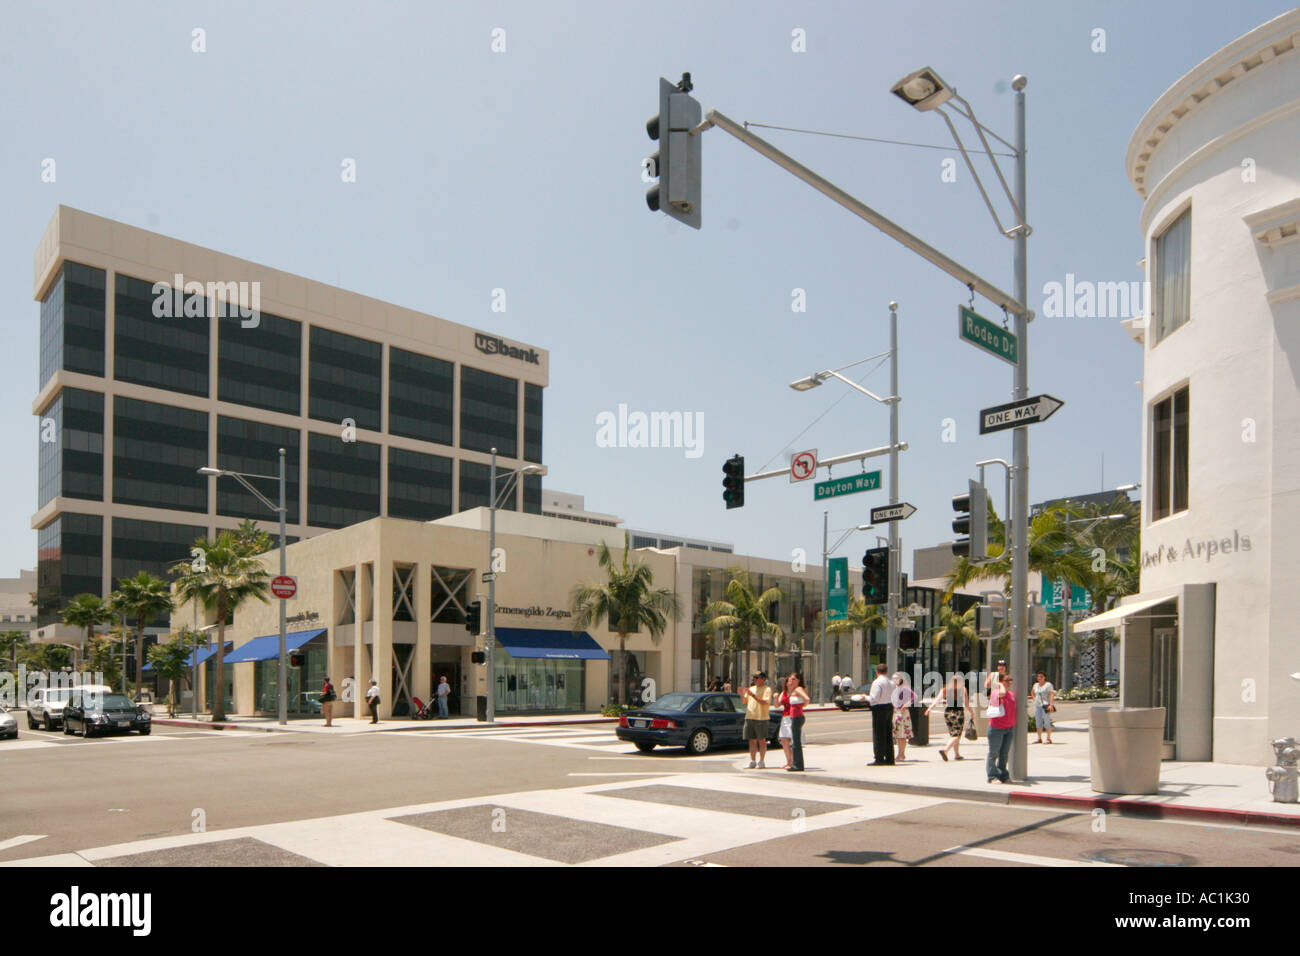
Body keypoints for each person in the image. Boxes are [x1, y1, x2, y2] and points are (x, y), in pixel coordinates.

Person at [926, 674, 970, 761]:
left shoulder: (945, 689)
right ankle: (945, 750)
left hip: (948, 713)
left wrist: (929, 709)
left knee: (953, 734)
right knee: (957, 734)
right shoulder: (962, 690)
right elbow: (966, 704)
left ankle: (957, 754)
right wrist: (972, 713)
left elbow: (937, 700)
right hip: (958, 713)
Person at [986, 674, 1017, 783]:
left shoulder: (1011, 694)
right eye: (1006, 680)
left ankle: (1003, 775)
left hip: (1009, 728)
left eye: (1010, 680)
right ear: (1000, 682)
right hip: (996, 728)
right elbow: (1002, 693)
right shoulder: (996, 693)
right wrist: (999, 684)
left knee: (1004, 754)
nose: (1009, 682)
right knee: (993, 753)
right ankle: (992, 776)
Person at [777, 672, 811, 771]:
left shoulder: (798, 689)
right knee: (794, 742)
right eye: (790, 679)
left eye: (794, 679)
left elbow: (807, 699)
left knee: (796, 742)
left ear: (799, 681)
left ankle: (798, 765)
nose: (791, 680)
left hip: (797, 717)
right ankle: (795, 764)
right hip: (793, 717)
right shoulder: (791, 691)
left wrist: (801, 705)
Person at [740, 671, 772, 769]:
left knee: (761, 740)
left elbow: (764, 702)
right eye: (754, 677)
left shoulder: (767, 689)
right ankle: (752, 760)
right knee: (751, 740)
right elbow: (744, 701)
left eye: (757, 677)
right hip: (750, 716)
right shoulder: (751, 688)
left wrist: (753, 695)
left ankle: (761, 761)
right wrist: (742, 694)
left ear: (763, 679)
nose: (754, 679)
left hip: (761, 718)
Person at [867, 663, 895, 766]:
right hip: (889, 706)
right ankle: (890, 758)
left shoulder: (877, 682)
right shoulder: (891, 683)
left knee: (878, 733)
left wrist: (865, 698)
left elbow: (874, 698)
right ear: (886, 671)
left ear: (876, 672)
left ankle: (879, 758)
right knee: (888, 733)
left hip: (879, 708)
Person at [892, 673, 915, 762]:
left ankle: (901, 754)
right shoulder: (895, 689)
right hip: (896, 712)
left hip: (903, 713)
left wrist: (905, 705)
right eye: (893, 678)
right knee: (898, 735)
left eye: (896, 678)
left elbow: (914, 697)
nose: (894, 680)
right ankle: (901, 753)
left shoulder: (905, 688)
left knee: (902, 734)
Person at [1031, 671, 1056, 744]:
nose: (1039, 678)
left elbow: (1051, 694)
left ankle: (1048, 738)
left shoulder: (1048, 685)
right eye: (1038, 677)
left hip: (1045, 705)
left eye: (1041, 676)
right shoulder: (1036, 685)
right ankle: (1039, 738)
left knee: (1047, 721)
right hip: (1037, 705)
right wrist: (1034, 698)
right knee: (1038, 721)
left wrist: (1051, 704)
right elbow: (1032, 692)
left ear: (1044, 677)